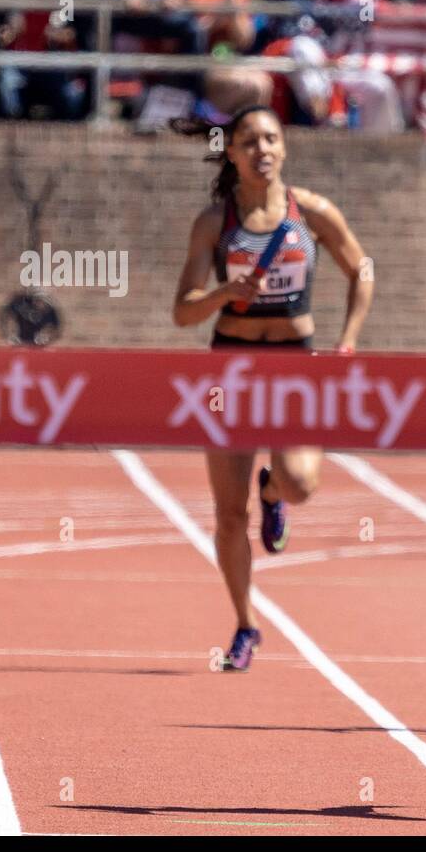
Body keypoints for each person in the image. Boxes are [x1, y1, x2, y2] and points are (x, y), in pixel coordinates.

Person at [172, 105, 375, 670]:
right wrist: (222, 293)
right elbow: (183, 312)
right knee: (228, 514)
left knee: (301, 482)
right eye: (248, 141)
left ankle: (274, 493)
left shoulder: (311, 212)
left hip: (295, 364)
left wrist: (348, 341)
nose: (261, 149)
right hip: (231, 366)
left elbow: (363, 269)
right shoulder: (215, 222)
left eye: (270, 138)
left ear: (284, 148)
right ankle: (245, 624)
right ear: (231, 153)